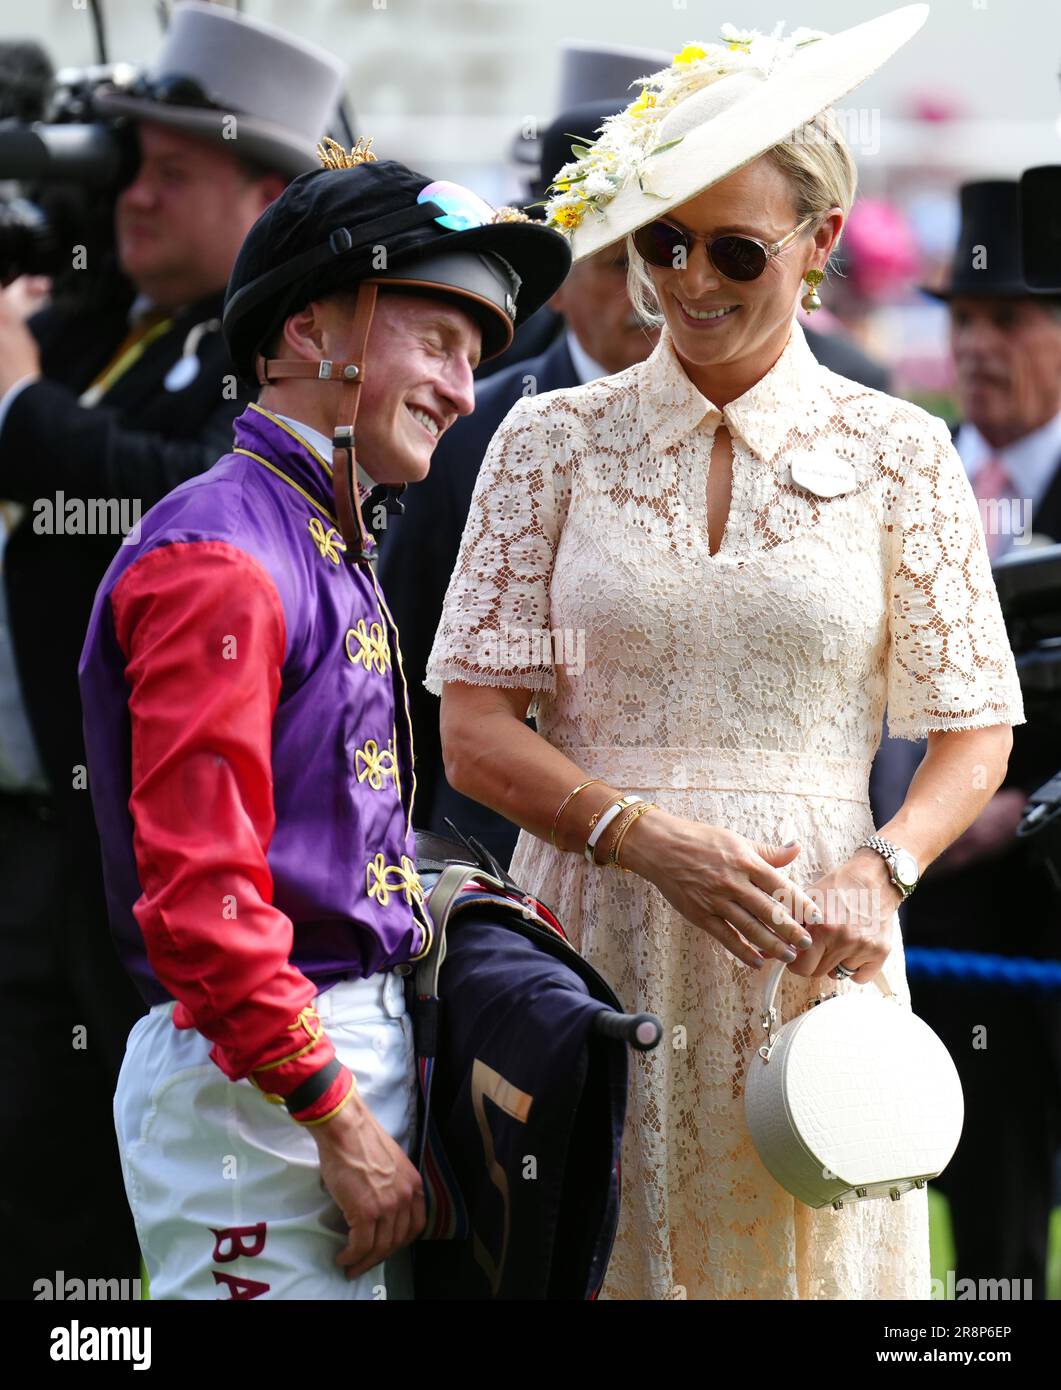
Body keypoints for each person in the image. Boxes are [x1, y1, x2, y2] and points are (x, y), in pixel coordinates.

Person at [423, 13, 1026, 1300]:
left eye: (735, 248)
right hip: (583, 936)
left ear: (815, 247)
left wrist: (884, 867)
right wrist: (636, 835)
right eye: (663, 242)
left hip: (815, 951)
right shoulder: (545, 441)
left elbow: (976, 726)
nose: (690, 279)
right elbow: (469, 725)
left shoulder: (899, 452)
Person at [77, 139, 570, 1299]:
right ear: (309, 333)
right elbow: (202, 901)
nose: (462, 385)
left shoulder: (318, 529)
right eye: (437, 339)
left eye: (474, 354)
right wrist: (337, 1121)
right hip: (256, 1088)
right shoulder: (223, 552)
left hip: (316, 1060)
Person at [0, 1, 345, 1297]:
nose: (133, 197)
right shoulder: (93, 321)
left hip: (142, 862)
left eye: (171, 173)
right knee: (25, 1183)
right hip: (29, 842)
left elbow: (189, 502)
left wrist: (19, 403)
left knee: (107, 1193)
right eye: (124, 165)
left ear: (268, 197)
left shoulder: (270, 366)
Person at [378, 98, 660, 864]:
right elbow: (403, 659)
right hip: (498, 860)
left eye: (658, 256)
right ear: (558, 284)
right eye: (614, 264)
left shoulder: (745, 424)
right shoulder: (468, 428)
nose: (645, 293)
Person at [875, 178, 1061, 1298]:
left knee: (1000, 1221)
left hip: (1028, 923)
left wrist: (1015, 809)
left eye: (1009, 320)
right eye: (961, 320)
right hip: (903, 907)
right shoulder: (913, 470)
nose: (977, 347)